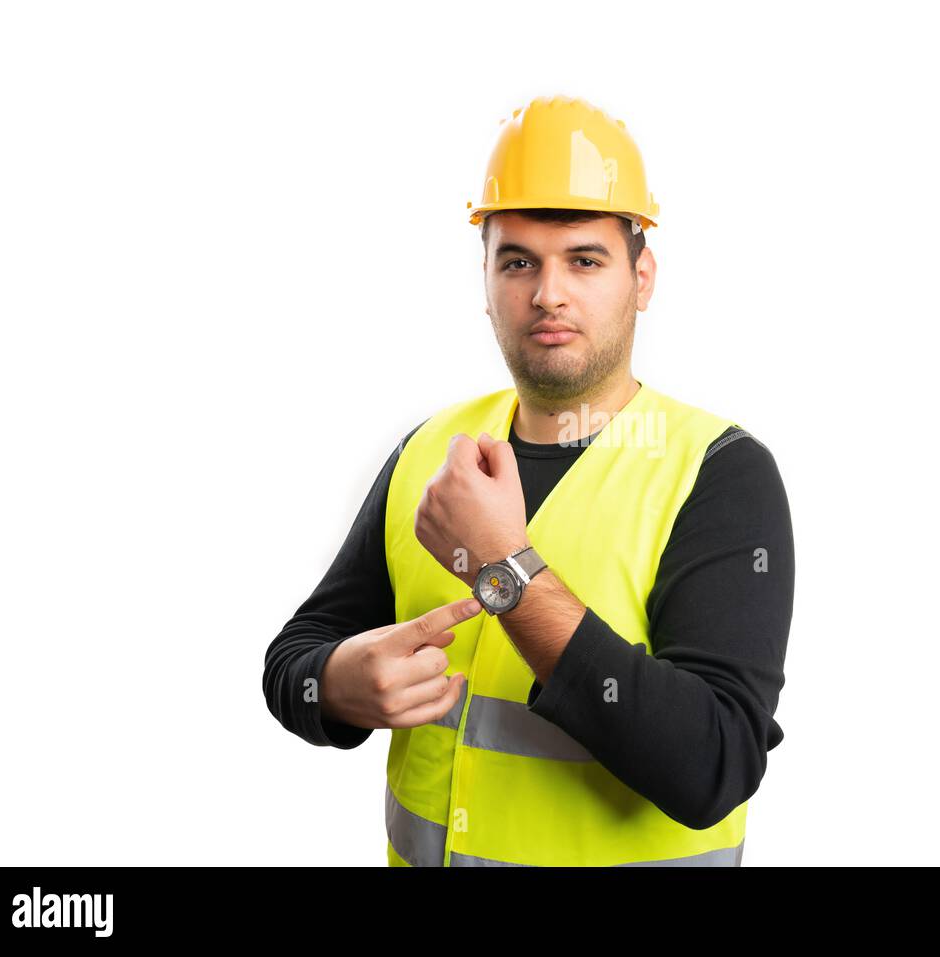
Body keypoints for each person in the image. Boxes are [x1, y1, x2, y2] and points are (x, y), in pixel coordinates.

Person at [262, 94, 795, 866]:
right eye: (518, 261)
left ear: (642, 277)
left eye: (584, 259)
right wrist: (333, 685)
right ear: (484, 282)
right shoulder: (430, 449)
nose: (548, 293)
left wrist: (504, 571)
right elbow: (294, 658)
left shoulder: (716, 473)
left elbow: (714, 764)